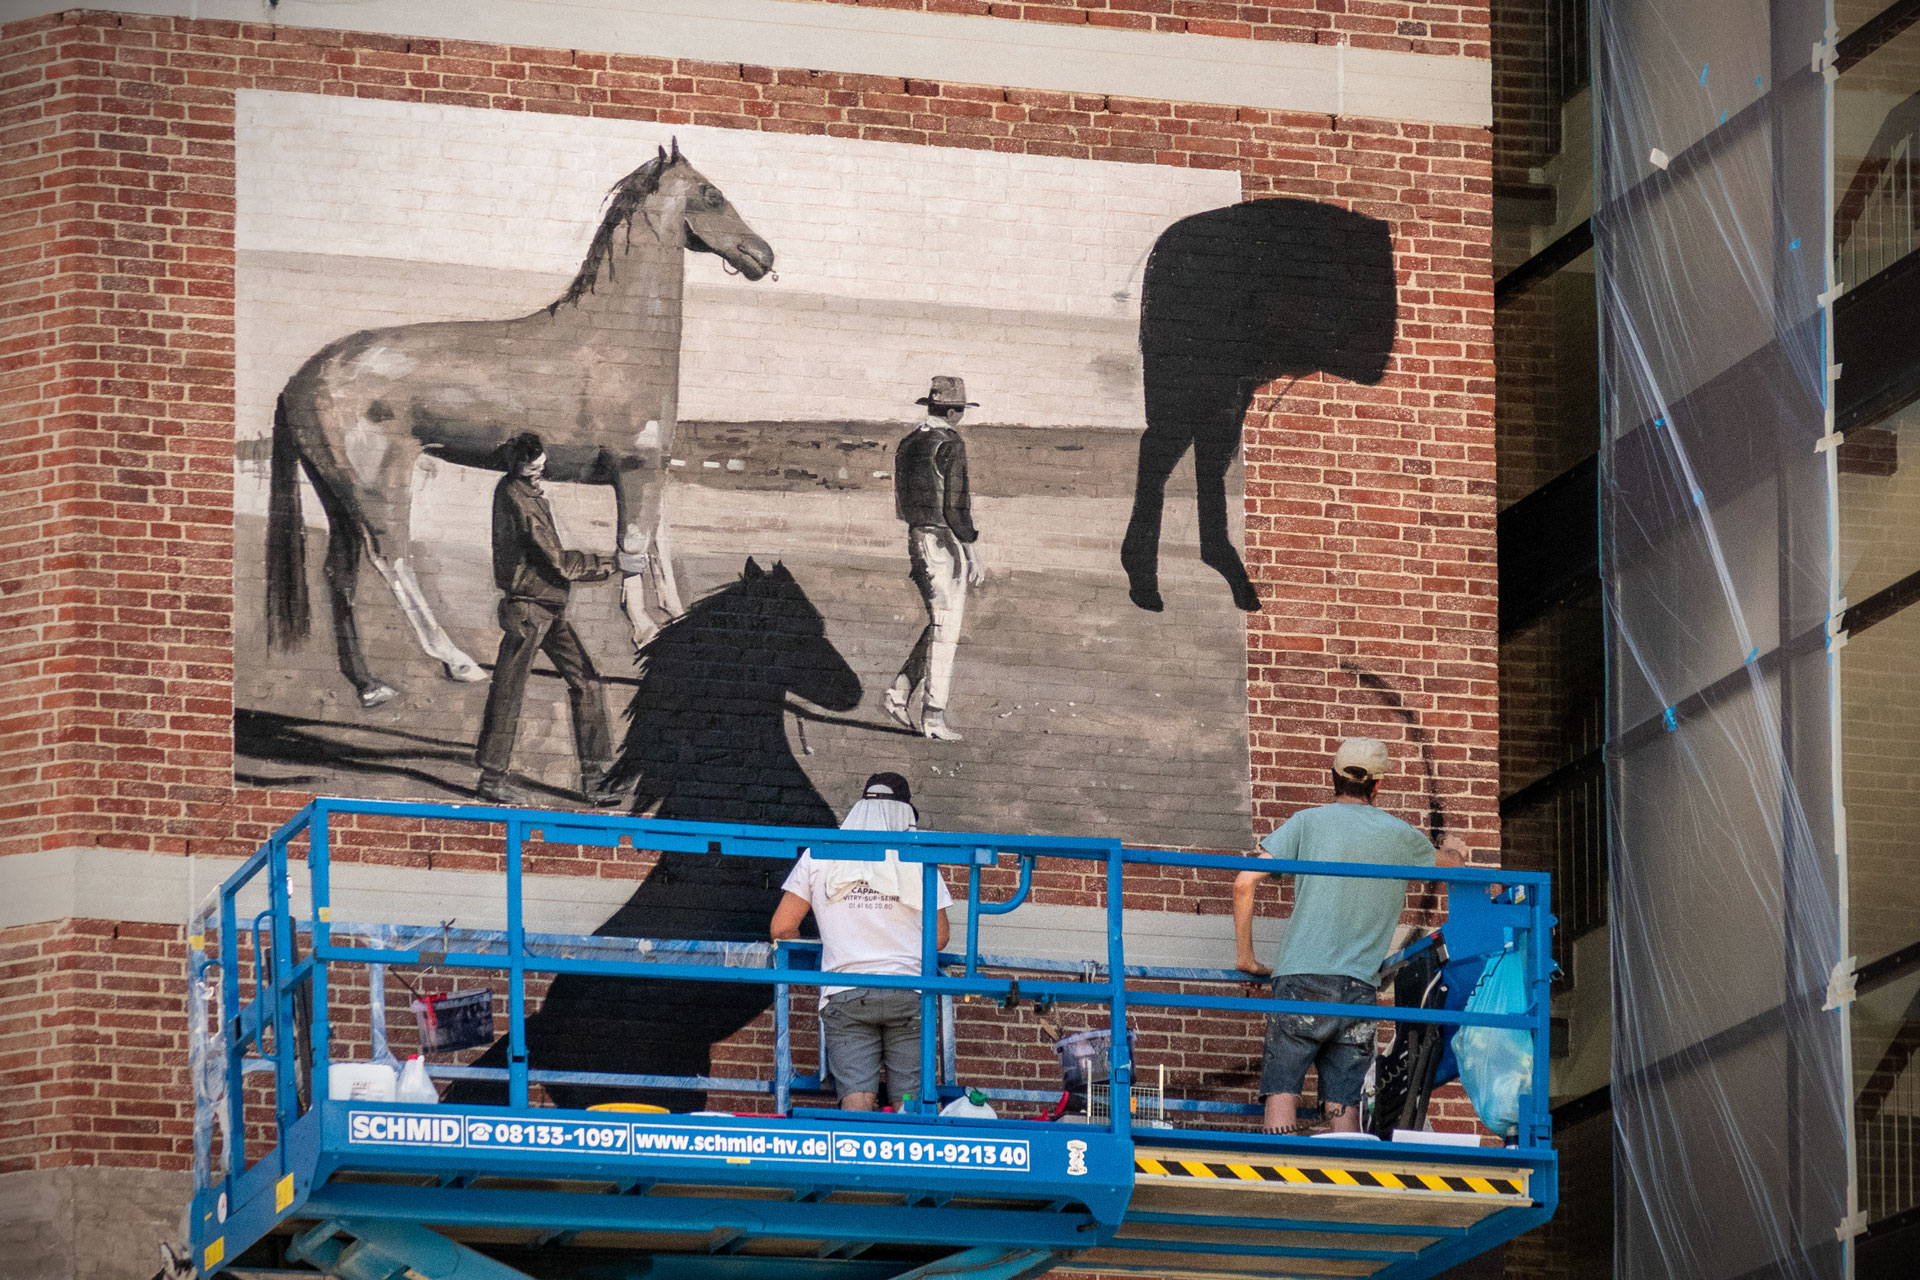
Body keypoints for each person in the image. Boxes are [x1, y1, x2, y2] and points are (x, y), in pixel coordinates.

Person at [1232, 737, 1467, 1135]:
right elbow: (1455, 868)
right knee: (1345, 1106)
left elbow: (1243, 883)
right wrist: (1455, 849)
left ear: (1334, 778)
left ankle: (1279, 1181)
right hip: (1359, 986)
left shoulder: (1307, 823)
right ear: (1377, 786)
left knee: (1283, 1091)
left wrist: (1248, 958)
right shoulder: (1400, 836)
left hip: (1300, 981)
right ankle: (1342, 1186)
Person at [769, 772, 954, 1110]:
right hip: (909, 992)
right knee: (910, 1102)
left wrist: (831, 949)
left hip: (845, 992)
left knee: (856, 1097)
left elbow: (782, 928)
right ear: (906, 812)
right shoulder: (919, 858)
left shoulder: (820, 854)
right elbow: (940, 937)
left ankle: (858, 1157)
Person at [474, 432, 622, 806]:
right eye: (533, 470)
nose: (541, 473)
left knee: (586, 681)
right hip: (529, 609)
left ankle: (594, 777)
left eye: (542, 467)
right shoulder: (519, 498)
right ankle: (492, 779)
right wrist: (610, 565)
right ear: (519, 467)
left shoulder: (521, 492)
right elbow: (556, 561)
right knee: (509, 690)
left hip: (547, 607)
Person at [883, 376, 986, 742]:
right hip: (943, 540)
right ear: (954, 411)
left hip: (917, 535)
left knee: (939, 622)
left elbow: (902, 503)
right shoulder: (950, 443)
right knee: (947, 630)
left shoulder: (909, 442)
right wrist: (972, 551)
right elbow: (957, 505)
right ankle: (933, 716)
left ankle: (899, 692)